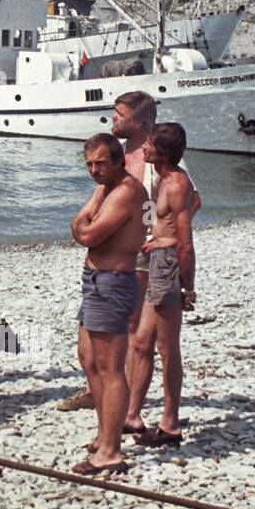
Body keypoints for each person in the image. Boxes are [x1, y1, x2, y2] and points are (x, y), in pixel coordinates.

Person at [57, 90, 200, 413]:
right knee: (103, 331)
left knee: (135, 332)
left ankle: (126, 404)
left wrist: (154, 234)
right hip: (110, 252)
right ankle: (106, 390)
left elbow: (189, 202)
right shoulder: (117, 153)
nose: (114, 119)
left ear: (140, 121)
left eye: (120, 113)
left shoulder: (157, 160)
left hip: (143, 253)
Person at [69, 133, 147, 475]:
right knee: (88, 359)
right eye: (89, 164)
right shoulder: (108, 188)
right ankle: (104, 436)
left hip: (113, 282)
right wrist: (84, 221)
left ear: (119, 160)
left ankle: (111, 451)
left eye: (100, 163)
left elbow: (86, 234)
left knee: (110, 367)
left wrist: (82, 223)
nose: (94, 170)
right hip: (97, 281)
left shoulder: (127, 191)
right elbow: (83, 225)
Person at [125, 122, 196, 445]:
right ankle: (131, 415)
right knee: (141, 340)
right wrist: (152, 235)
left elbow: (185, 243)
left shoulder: (178, 183)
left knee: (168, 348)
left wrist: (187, 286)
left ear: (163, 152)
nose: (144, 148)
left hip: (169, 266)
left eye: (149, 145)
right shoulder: (161, 178)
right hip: (158, 259)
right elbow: (158, 216)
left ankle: (170, 424)